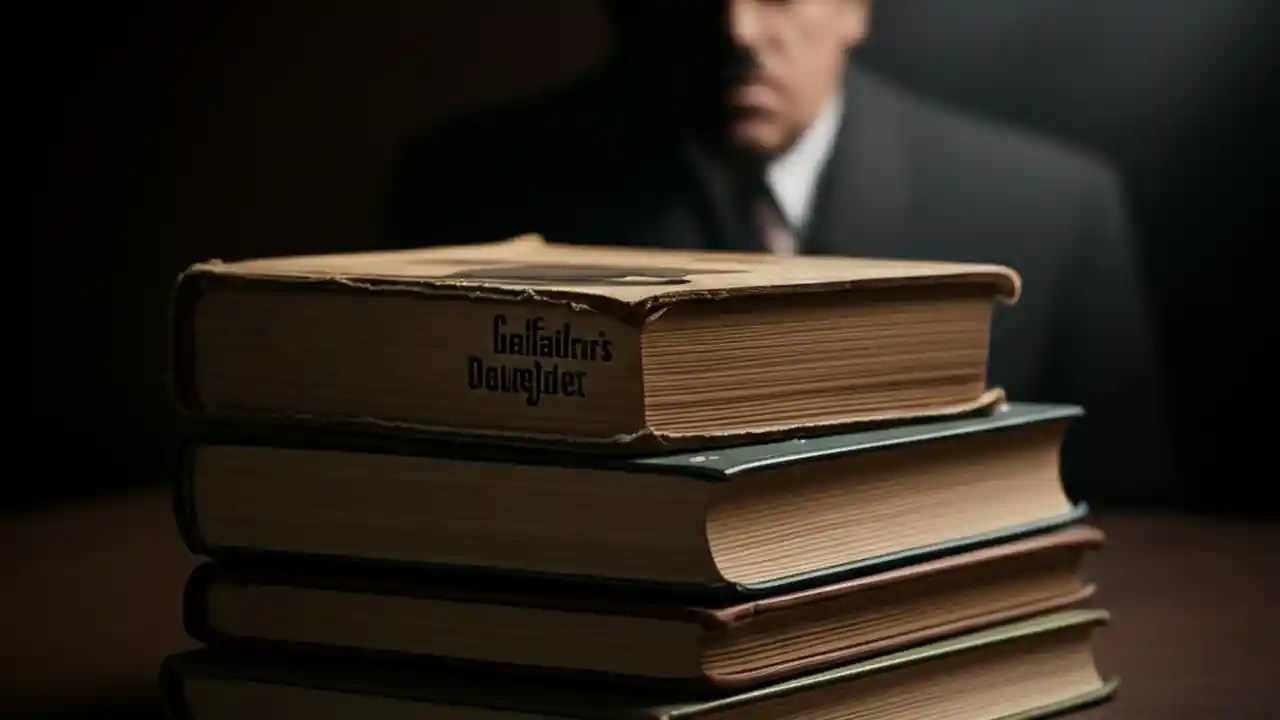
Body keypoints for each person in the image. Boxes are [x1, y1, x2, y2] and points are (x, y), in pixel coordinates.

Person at [379, 0, 1174, 508]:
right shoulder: (471, 194)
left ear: (855, 9)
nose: (738, 30)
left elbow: (1139, 512)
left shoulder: (1052, 209)